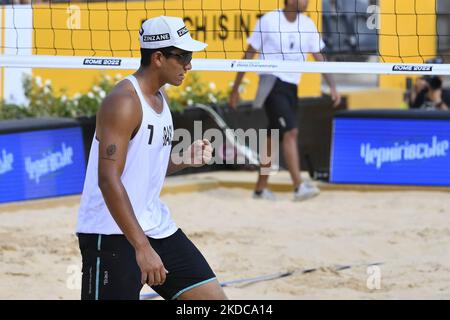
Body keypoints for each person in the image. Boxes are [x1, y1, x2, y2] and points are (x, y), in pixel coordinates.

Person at [76, 16, 227, 300]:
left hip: (155, 226)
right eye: (183, 57)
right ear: (158, 57)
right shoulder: (124, 101)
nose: (189, 65)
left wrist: (183, 158)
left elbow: (142, 168)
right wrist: (142, 248)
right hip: (111, 233)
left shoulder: (159, 97)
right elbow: (108, 180)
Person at [229, 0, 341, 201]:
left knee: (273, 136)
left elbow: (319, 56)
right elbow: (249, 53)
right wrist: (235, 88)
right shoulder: (269, 20)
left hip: (291, 86)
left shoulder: (307, 25)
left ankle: (260, 189)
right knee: (291, 132)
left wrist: (332, 86)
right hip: (272, 82)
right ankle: (298, 186)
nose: (306, 2)